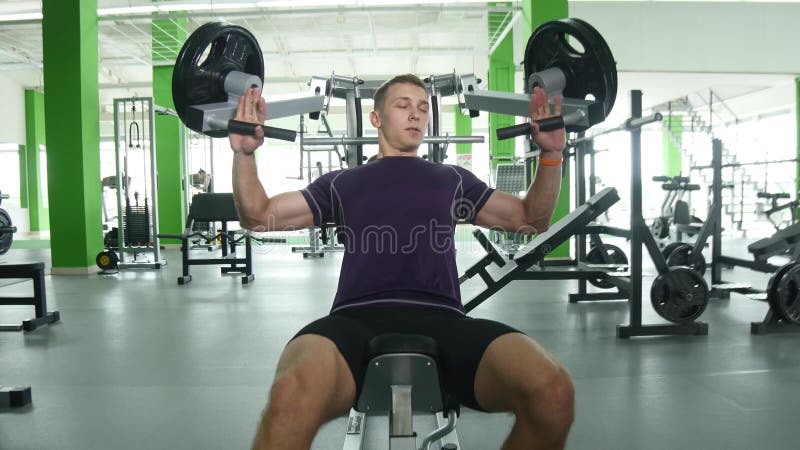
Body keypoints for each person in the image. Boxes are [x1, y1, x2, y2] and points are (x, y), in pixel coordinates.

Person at [230, 74, 573, 450]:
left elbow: (531, 218)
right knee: (287, 400)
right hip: (353, 320)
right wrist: (244, 155)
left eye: (423, 108)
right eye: (403, 105)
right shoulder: (342, 182)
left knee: (553, 392)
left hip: (445, 320)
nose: (416, 115)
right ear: (376, 119)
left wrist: (551, 156)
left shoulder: (453, 179)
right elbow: (259, 216)